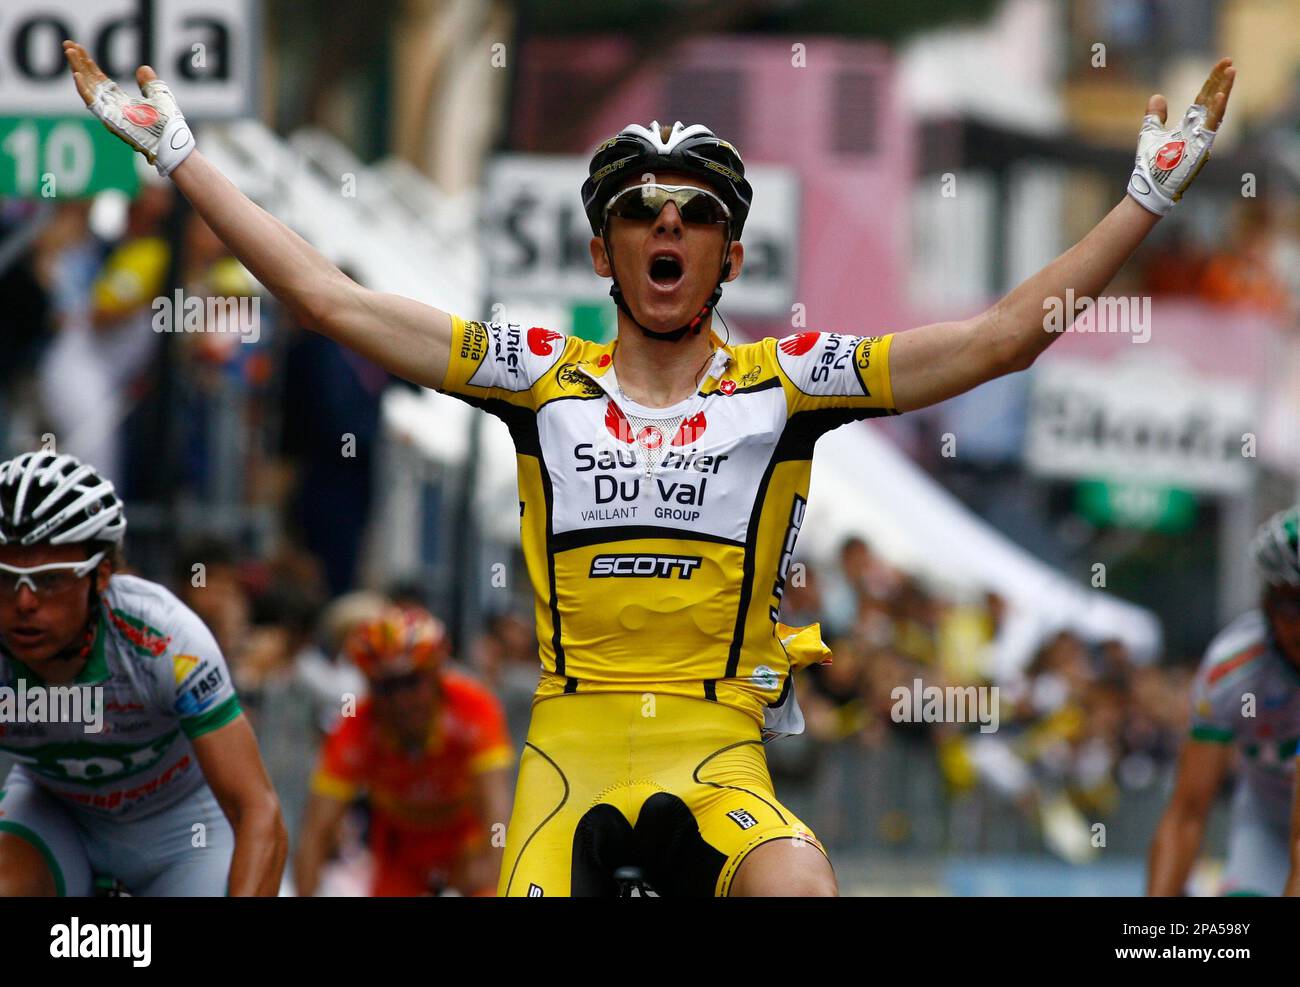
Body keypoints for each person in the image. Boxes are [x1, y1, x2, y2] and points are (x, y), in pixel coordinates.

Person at [61, 40, 1234, 895]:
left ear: (727, 251)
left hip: (716, 745)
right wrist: (180, 156)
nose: (664, 227)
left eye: (692, 214)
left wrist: (1144, 199)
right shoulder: (530, 370)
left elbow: (998, 339)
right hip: (568, 752)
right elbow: (326, 297)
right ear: (602, 247)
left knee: (801, 895)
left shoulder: (792, 379)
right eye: (639, 211)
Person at [0, 452, 286, 896]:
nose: (24, 603)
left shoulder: (167, 641)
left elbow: (257, 810)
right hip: (56, 815)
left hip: (182, 831)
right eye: (4, 578)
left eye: (50, 580)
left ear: (102, 576)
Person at [294, 605, 512, 896]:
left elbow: (497, 813)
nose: (400, 700)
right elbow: (314, 835)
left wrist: (496, 870)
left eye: (411, 682)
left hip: (467, 845)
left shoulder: (474, 707)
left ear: (435, 674)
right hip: (400, 852)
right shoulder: (354, 729)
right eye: (385, 687)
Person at [1150, 506, 1300, 896]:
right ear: (1266, 604)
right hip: (1266, 823)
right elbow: (1186, 814)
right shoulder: (1232, 670)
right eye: (1291, 604)